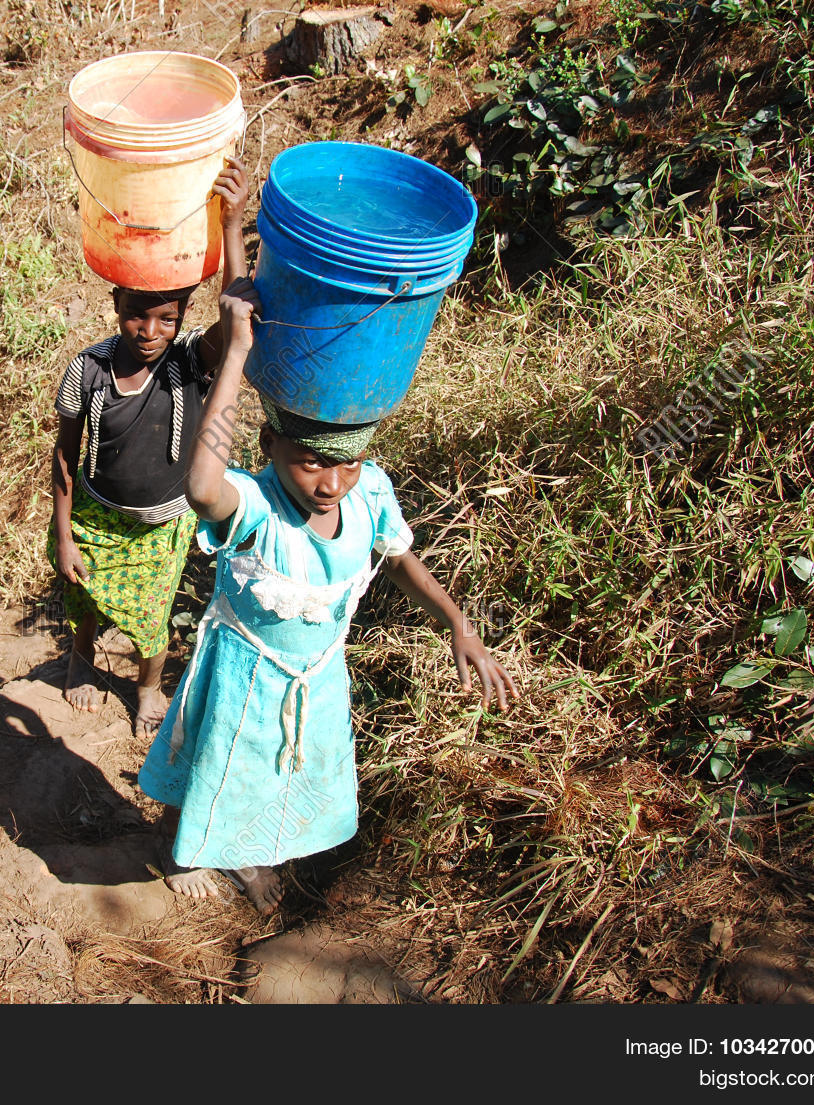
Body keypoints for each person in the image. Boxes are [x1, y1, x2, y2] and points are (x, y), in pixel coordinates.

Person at [138, 277, 519, 913]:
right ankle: (197, 853)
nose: (330, 483)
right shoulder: (256, 505)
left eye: (348, 462)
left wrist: (458, 623)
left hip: (317, 673)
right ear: (270, 447)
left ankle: (256, 850)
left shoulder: (369, 493)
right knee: (232, 760)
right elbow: (203, 487)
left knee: (287, 769)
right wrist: (235, 352)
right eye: (311, 462)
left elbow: (399, 561)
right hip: (250, 669)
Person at [48, 158, 249, 736]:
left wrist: (233, 225)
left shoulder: (188, 362)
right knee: (84, 595)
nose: (150, 331)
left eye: (167, 318)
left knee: (152, 620)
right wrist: (64, 534)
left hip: (162, 525)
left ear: (183, 315)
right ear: (115, 303)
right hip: (94, 513)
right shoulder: (87, 370)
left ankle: (148, 686)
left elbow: (241, 320)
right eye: (137, 315)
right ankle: (82, 660)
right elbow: (64, 457)